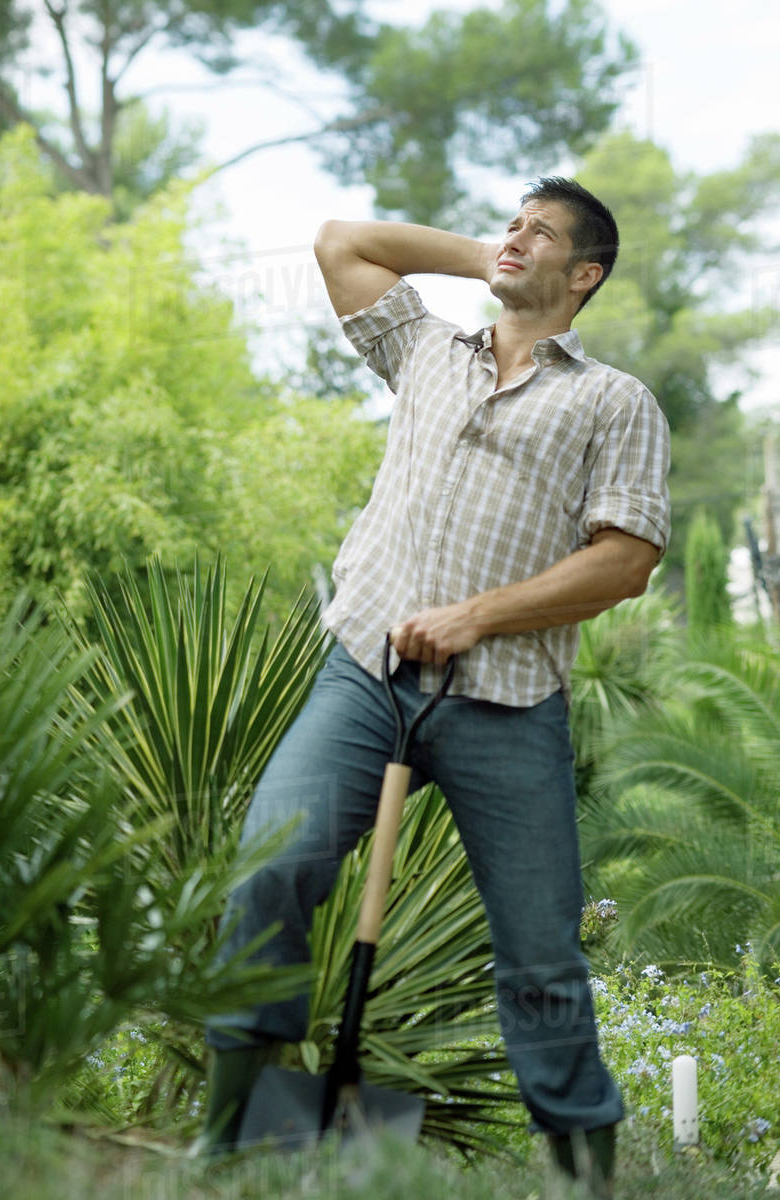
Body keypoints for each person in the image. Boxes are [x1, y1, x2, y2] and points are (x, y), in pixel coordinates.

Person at [200, 177, 671, 1196]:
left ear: (587, 274)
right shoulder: (425, 350)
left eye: (543, 236)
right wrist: (500, 256)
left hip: (507, 704)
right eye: (513, 222)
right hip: (366, 674)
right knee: (268, 872)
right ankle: (228, 1144)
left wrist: (475, 615)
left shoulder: (611, 401)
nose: (514, 238)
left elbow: (625, 560)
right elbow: (342, 243)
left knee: (542, 953)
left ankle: (583, 1175)